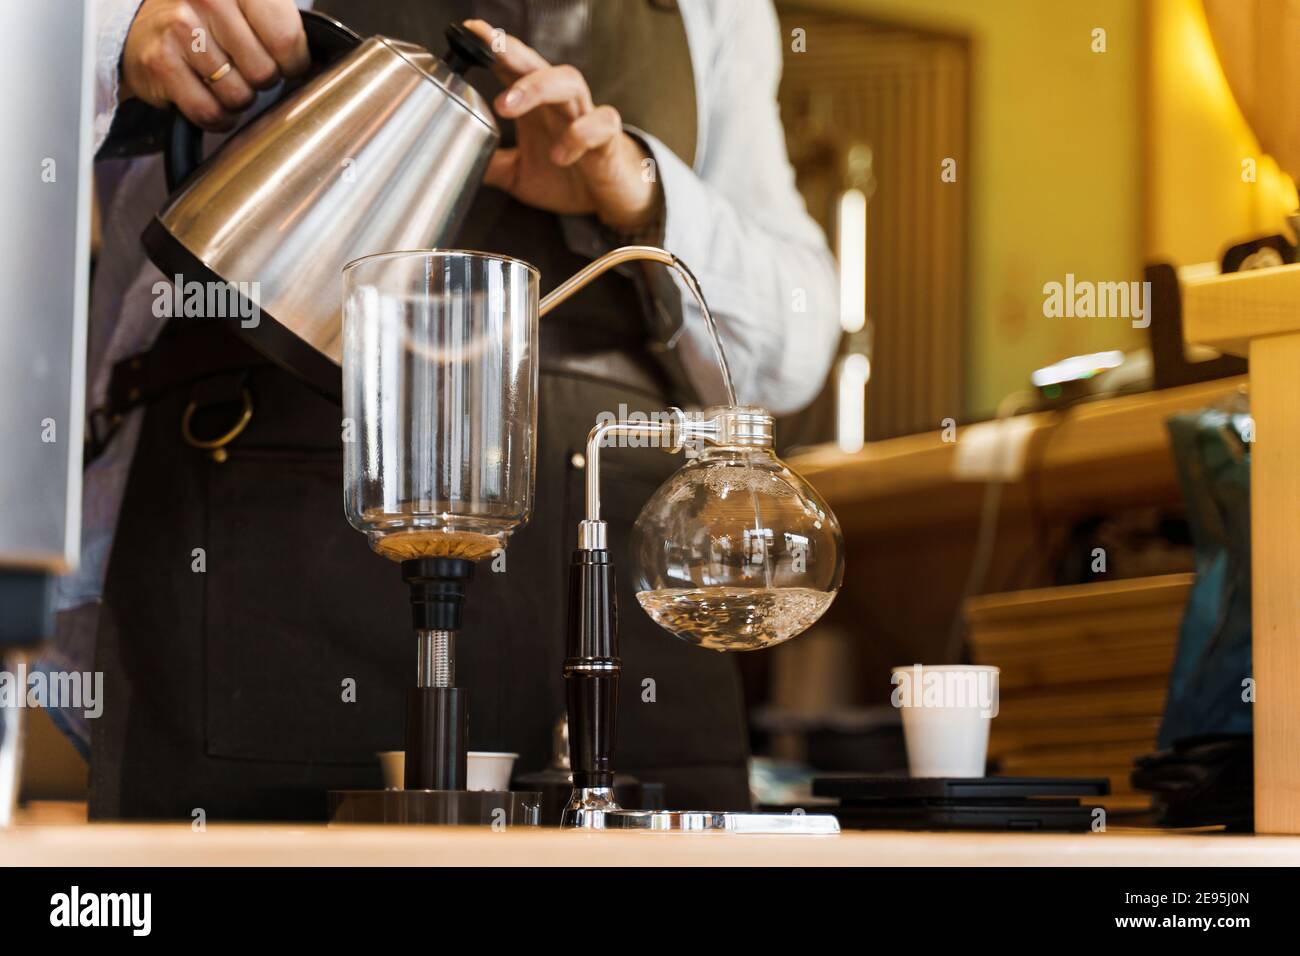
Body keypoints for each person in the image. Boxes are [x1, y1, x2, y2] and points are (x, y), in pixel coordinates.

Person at [74, 0, 839, 819]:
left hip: (624, 560)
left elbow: (795, 345)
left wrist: (638, 191)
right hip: (263, 551)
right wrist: (116, 34)